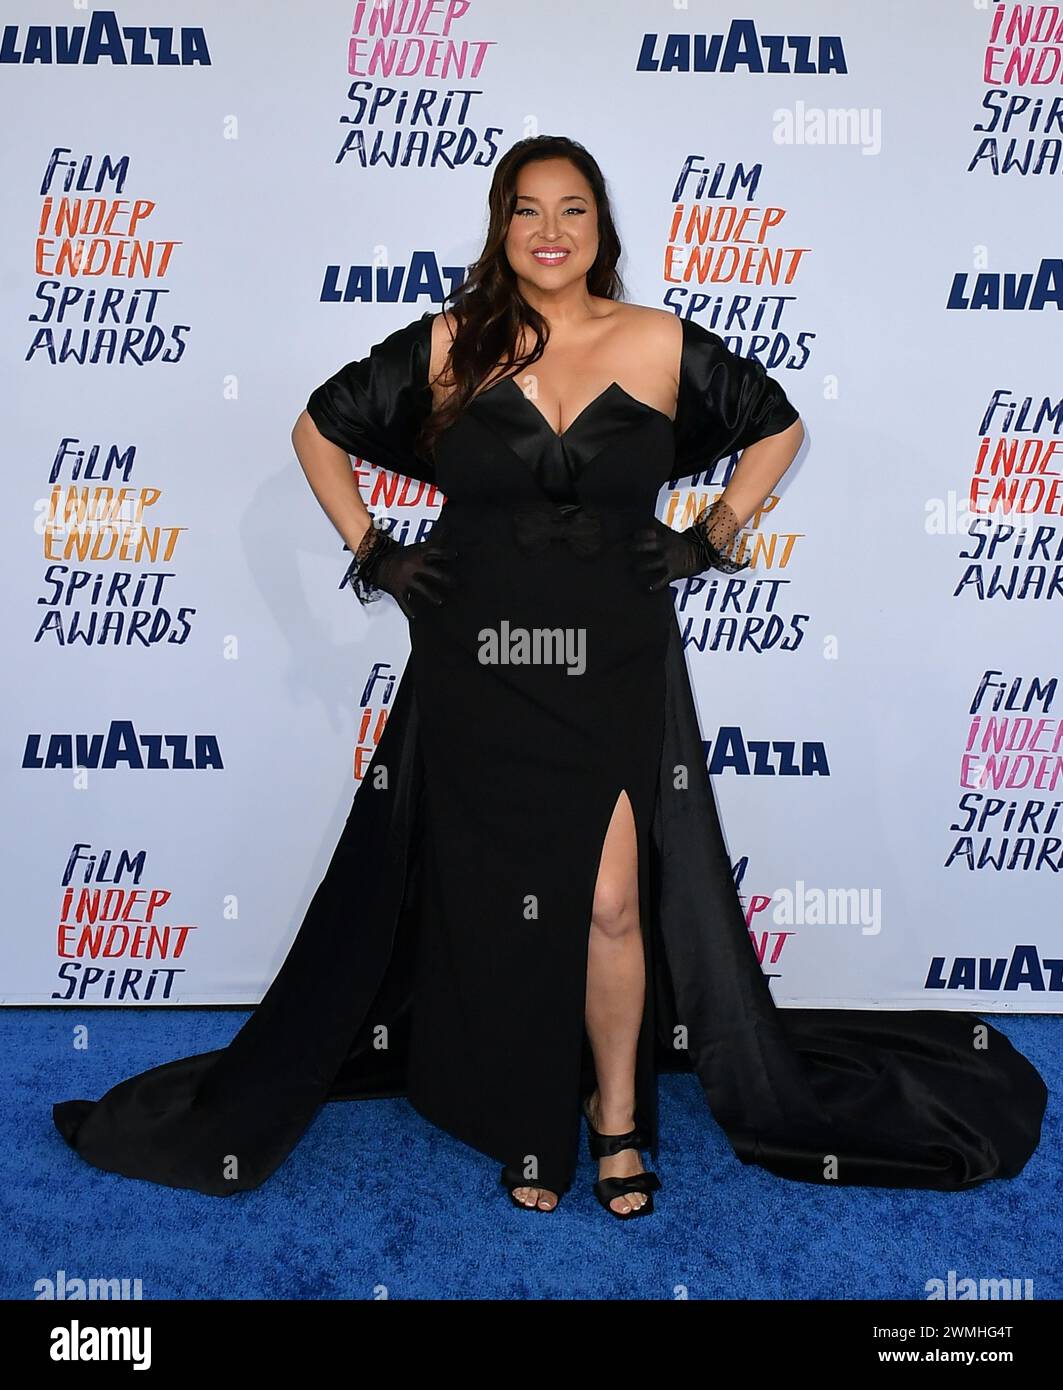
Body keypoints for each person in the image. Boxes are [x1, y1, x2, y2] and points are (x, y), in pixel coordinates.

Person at [53, 136, 1047, 1220]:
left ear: (599, 229)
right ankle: (528, 1123)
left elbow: (778, 427)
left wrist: (708, 538)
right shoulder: (450, 343)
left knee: (612, 903)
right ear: (501, 226)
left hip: (613, 661)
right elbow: (316, 426)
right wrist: (375, 552)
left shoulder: (658, 342)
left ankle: (614, 1121)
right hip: (479, 660)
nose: (550, 232)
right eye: (527, 211)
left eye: (572, 211)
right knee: (506, 909)